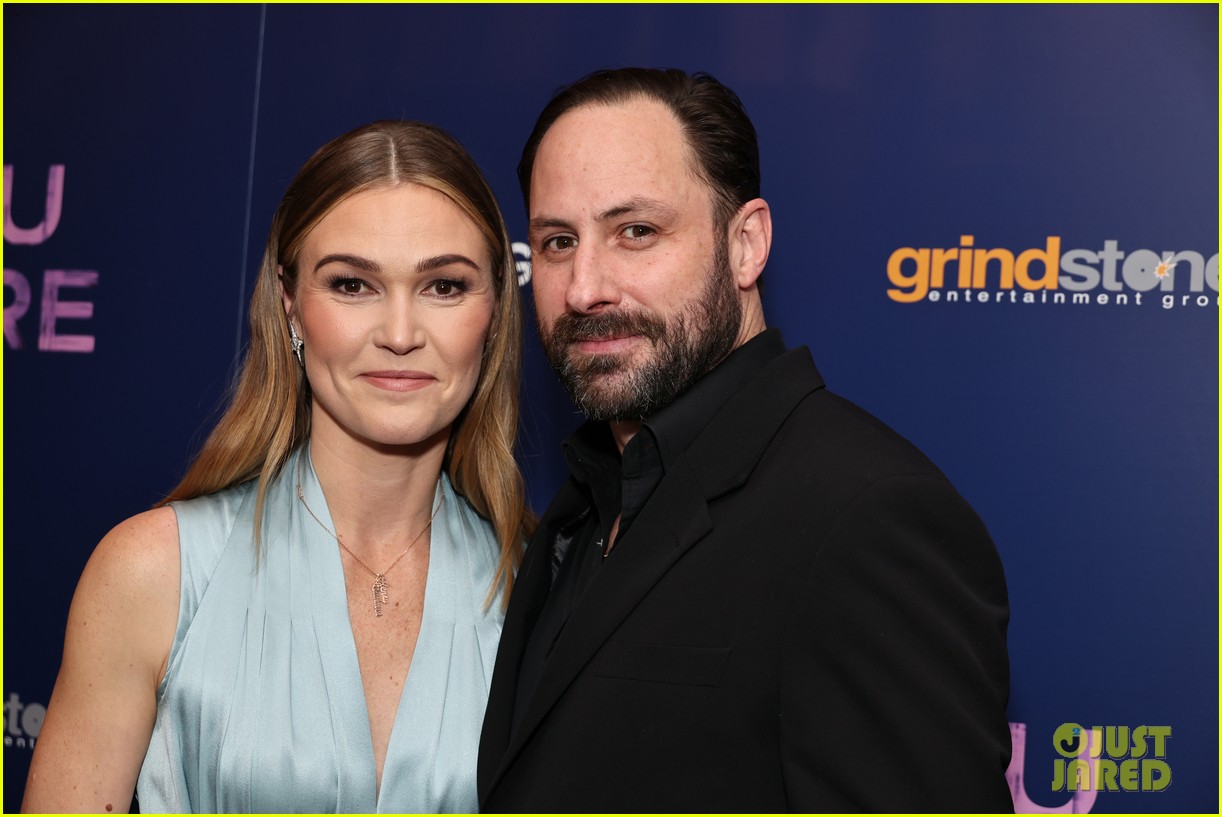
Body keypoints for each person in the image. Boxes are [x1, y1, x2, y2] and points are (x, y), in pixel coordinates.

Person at [477, 68, 1013, 811]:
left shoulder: (867, 517)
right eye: (558, 241)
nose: (583, 286)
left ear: (746, 244)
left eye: (636, 232)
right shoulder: (579, 507)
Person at [22, 120, 532, 813]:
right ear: (291, 307)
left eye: (444, 286)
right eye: (353, 284)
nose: (401, 333)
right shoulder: (155, 574)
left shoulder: (538, 588)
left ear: (495, 313)